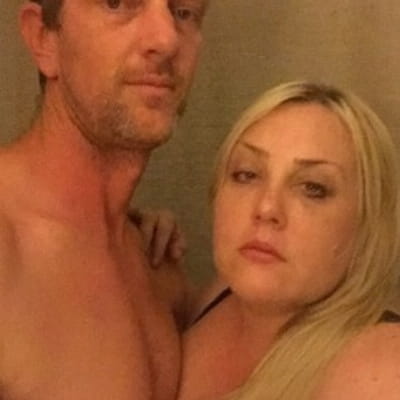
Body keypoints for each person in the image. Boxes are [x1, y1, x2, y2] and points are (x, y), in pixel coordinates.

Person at [0, 0, 207, 399]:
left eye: (184, 12)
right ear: (43, 38)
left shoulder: (160, 273)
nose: (167, 39)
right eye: (118, 4)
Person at [144, 81, 400, 399]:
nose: (266, 208)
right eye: (247, 175)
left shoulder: (382, 369)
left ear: (367, 224)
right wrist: (127, 230)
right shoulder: (214, 299)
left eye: (313, 188)